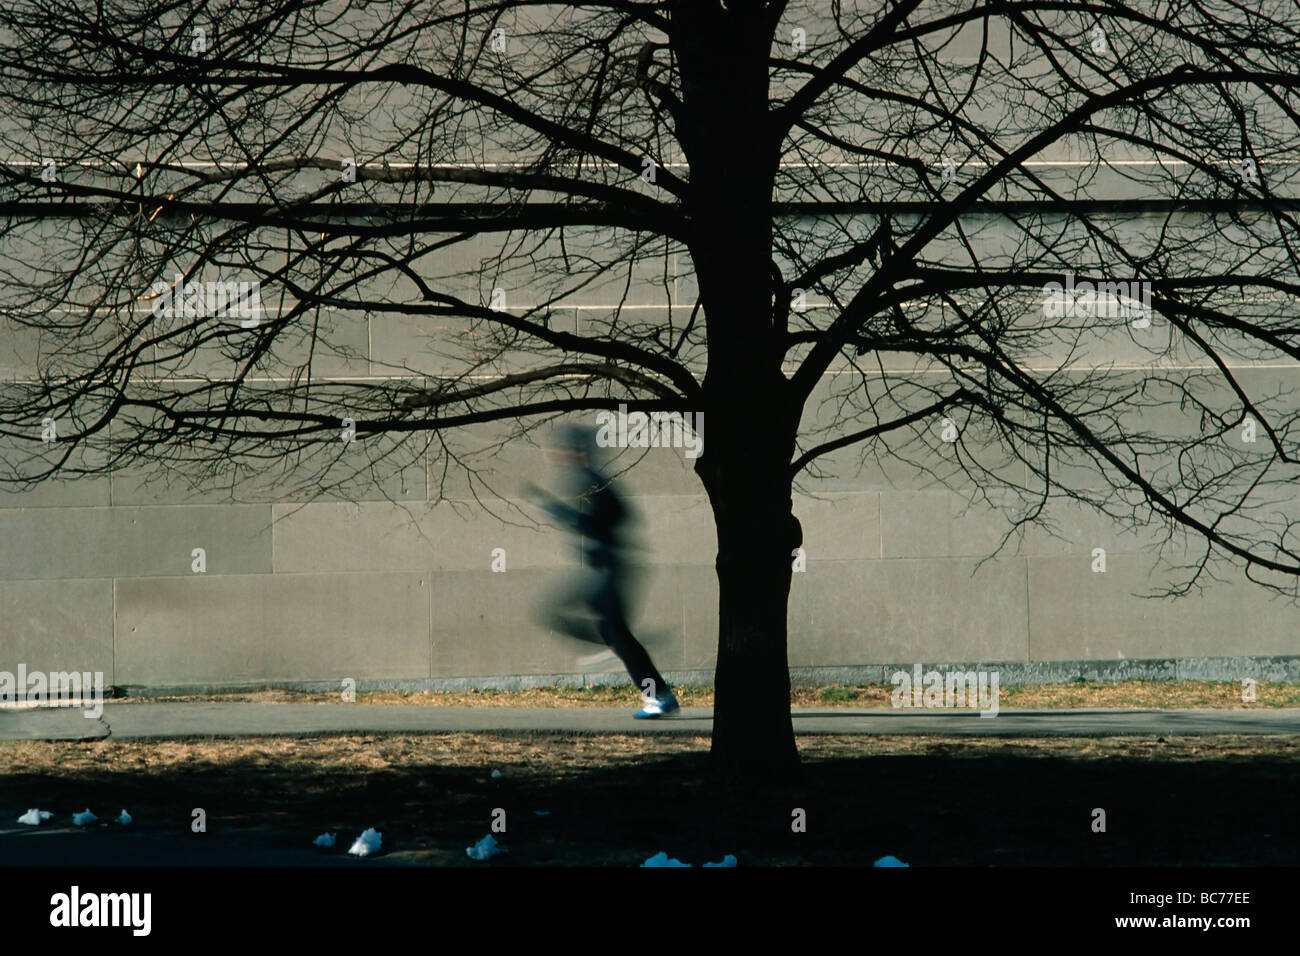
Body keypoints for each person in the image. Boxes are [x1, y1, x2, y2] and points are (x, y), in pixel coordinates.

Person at [525, 425, 679, 718]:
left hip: (608, 570)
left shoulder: (592, 479)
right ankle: (659, 694)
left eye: (563, 449)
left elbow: (604, 521)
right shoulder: (593, 478)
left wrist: (557, 512)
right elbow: (615, 517)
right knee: (620, 637)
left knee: (551, 611)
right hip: (608, 567)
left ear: (577, 451)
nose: (557, 455)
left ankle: (608, 651)